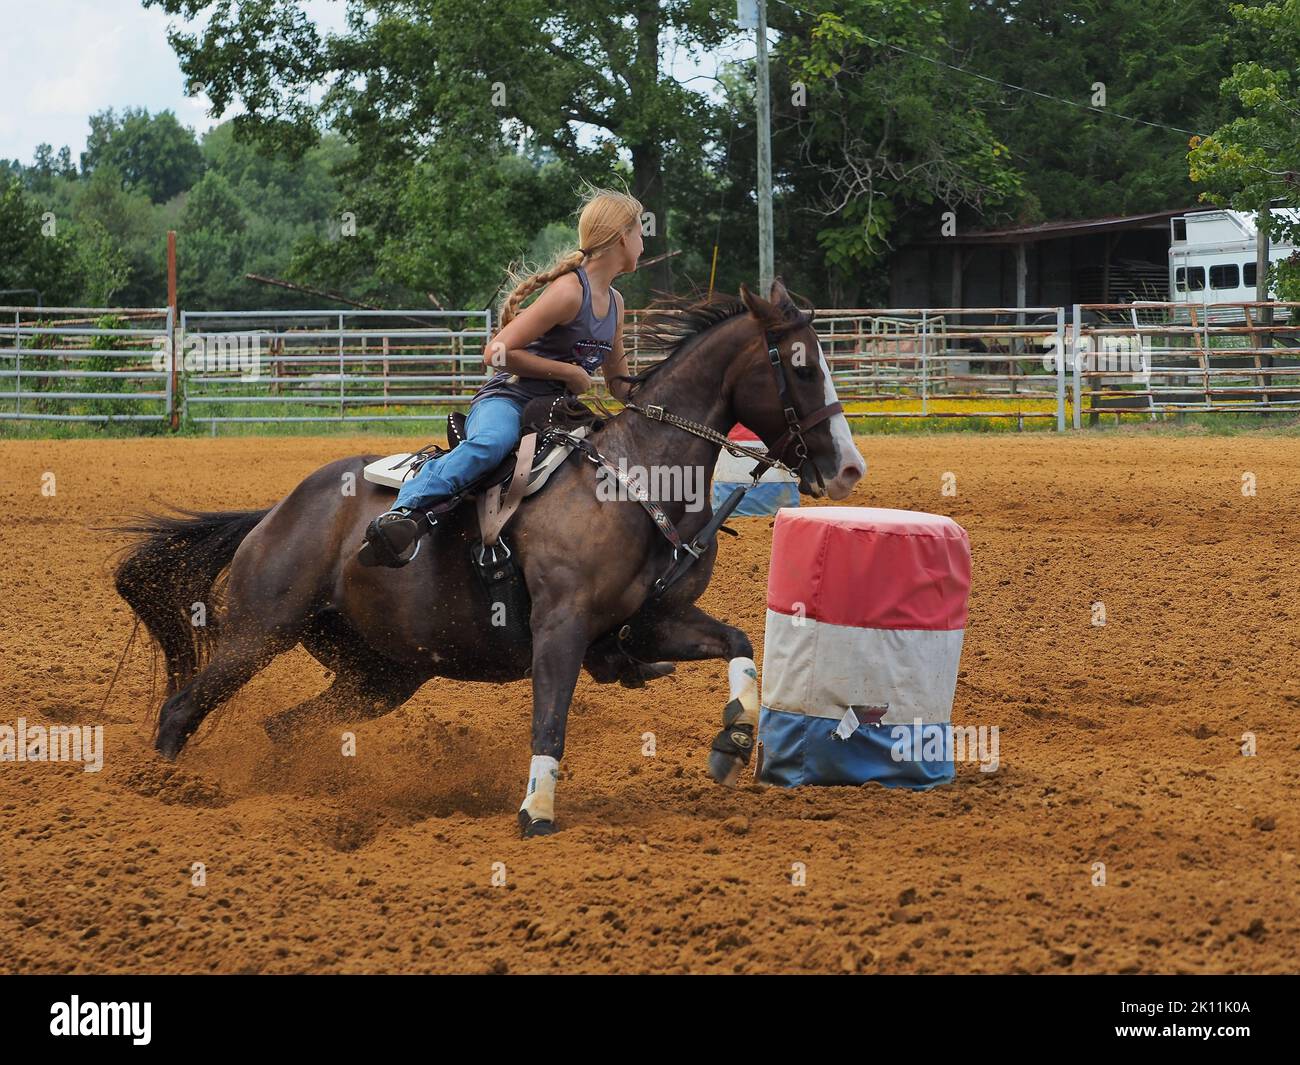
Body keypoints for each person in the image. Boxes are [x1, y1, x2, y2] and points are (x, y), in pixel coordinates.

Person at [358, 187, 644, 567]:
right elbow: (496, 352)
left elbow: (619, 383)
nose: (643, 243)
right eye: (641, 232)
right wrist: (567, 372)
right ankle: (403, 512)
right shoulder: (569, 292)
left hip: (560, 411)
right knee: (492, 443)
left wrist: (656, 405)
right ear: (622, 237)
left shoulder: (617, 303)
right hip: (509, 399)